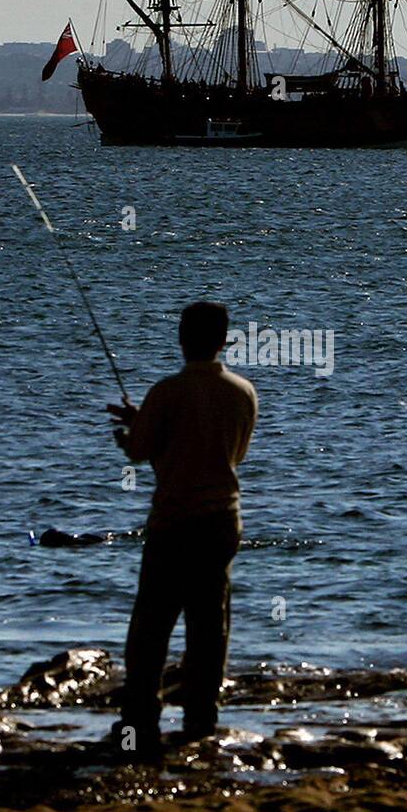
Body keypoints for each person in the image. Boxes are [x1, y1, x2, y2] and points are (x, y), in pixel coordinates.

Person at [107, 301, 257, 757]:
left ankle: (140, 720)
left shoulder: (166, 392)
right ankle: (201, 718)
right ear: (223, 341)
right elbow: (235, 455)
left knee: (151, 624)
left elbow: (138, 450)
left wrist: (132, 432)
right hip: (223, 519)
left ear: (181, 338)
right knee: (210, 623)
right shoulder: (243, 391)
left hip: (174, 521)